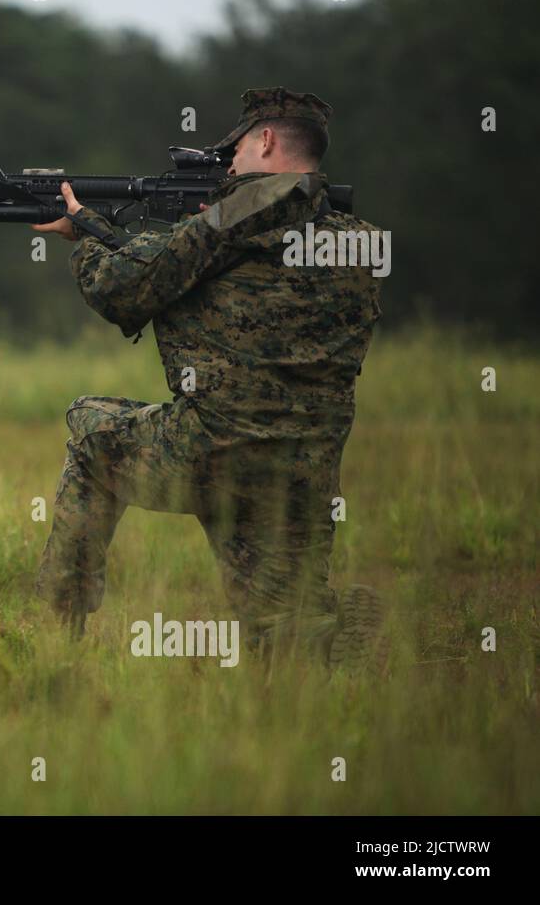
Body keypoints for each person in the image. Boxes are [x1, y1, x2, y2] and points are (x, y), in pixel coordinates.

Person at [31, 87, 384, 668]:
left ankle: (54, 627)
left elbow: (121, 290)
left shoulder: (225, 224)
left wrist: (86, 237)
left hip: (213, 450)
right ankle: (328, 635)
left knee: (92, 432)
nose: (230, 167)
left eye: (236, 152)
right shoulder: (360, 242)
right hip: (305, 468)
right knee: (284, 634)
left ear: (266, 140)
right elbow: (243, 291)